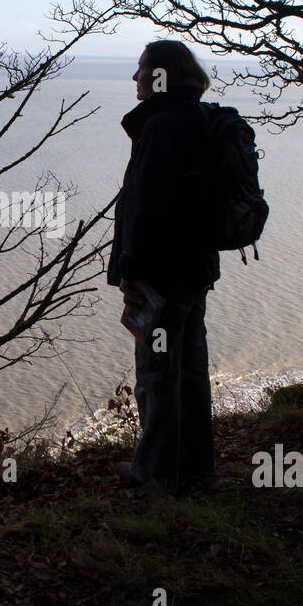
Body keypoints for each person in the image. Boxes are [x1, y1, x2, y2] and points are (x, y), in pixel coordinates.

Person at [107, 39, 219, 495]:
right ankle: (195, 470)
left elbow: (146, 209)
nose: (134, 78)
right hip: (195, 273)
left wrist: (130, 274)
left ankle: (154, 474)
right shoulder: (197, 118)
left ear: (158, 77)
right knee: (190, 371)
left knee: (156, 373)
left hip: (162, 278)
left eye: (141, 69)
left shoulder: (161, 127)